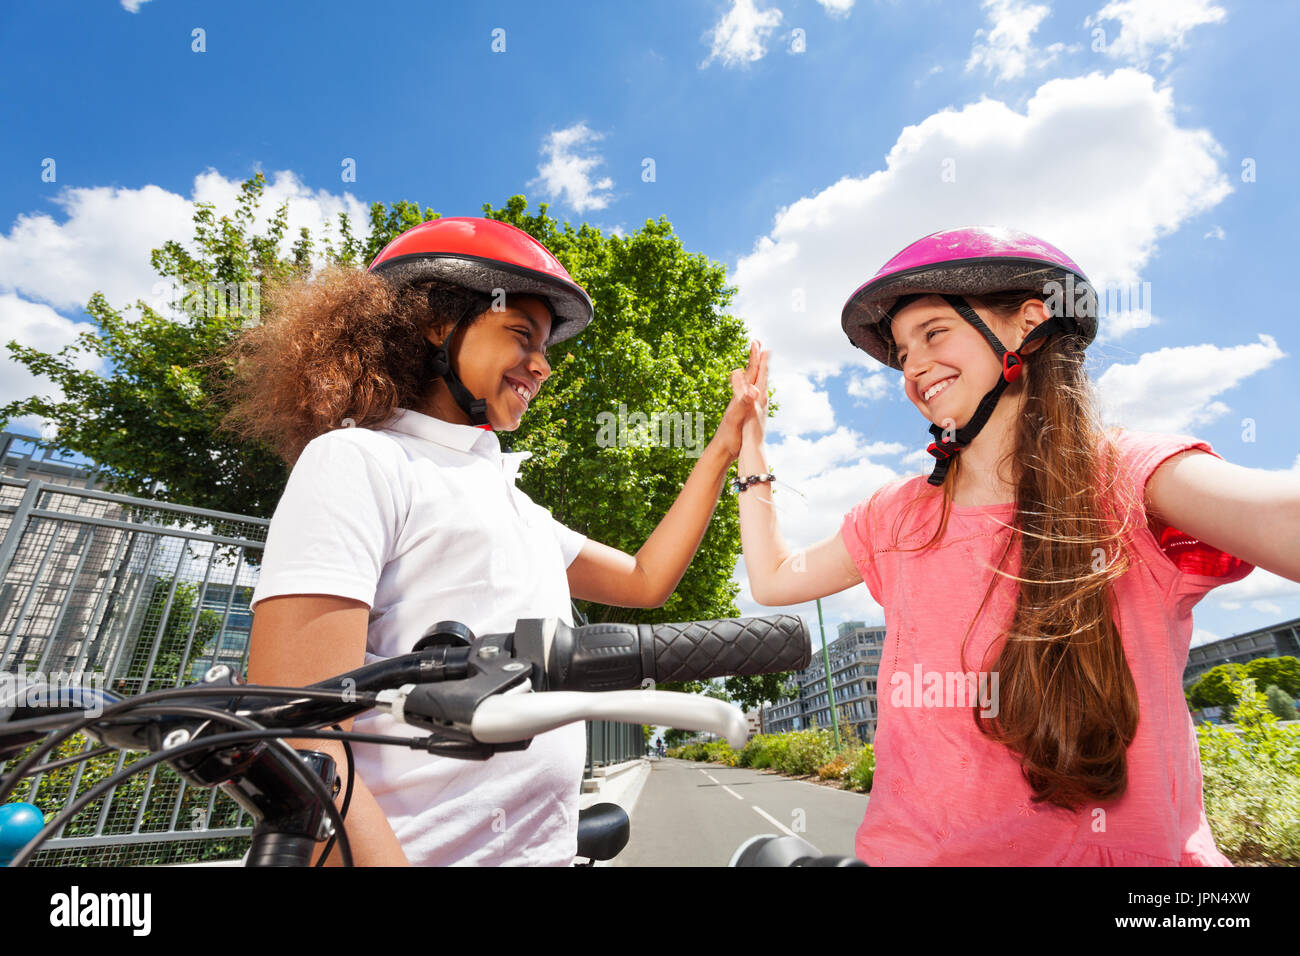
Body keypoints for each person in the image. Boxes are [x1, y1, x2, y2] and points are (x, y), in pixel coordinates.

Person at [734, 226, 1298, 865]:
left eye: (934, 332)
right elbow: (775, 579)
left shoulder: (1128, 477)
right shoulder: (894, 515)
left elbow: (1282, 518)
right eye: (900, 353)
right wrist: (752, 450)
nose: (912, 366)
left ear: (1028, 322)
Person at [220, 216, 763, 866]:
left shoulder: (512, 502)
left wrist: (724, 447)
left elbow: (647, 579)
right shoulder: (358, 460)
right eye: (520, 334)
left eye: (545, 346)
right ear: (436, 323)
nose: (542, 364)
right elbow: (303, 739)